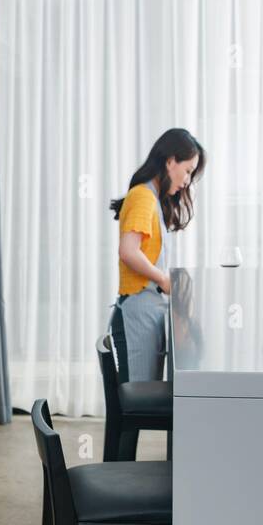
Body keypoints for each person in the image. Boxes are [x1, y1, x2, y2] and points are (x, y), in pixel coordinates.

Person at [109, 128, 205, 382]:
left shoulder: (152, 199)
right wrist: (163, 280)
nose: (187, 180)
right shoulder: (142, 196)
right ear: (170, 160)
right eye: (187, 171)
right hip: (137, 312)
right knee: (135, 404)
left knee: (140, 398)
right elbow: (128, 252)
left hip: (145, 311)